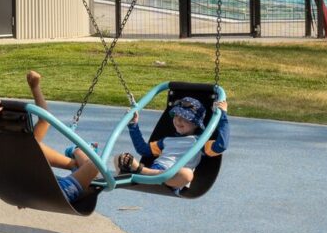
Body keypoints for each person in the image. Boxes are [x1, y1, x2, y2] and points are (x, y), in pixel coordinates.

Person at [115, 95, 230, 194]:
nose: (178, 120)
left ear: (196, 124)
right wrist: (133, 125)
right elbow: (143, 150)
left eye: (184, 118)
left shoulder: (200, 142)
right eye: (176, 116)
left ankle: (141, 173)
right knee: (119, 158)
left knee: (187, 174)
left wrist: (222, 116)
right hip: (156, 170)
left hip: (173, 178)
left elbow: (221, 146)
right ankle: (145, 175)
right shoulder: (166, 140)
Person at [24, 70, 103, 207]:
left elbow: (44, 120)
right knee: (96, 166)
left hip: (42, 190)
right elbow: (45, 120)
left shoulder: (2, 150)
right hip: (59, 192)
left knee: (33, 148)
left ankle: (77, 156)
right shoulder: (22, 148)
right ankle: (78, 152)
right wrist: (35, 87)